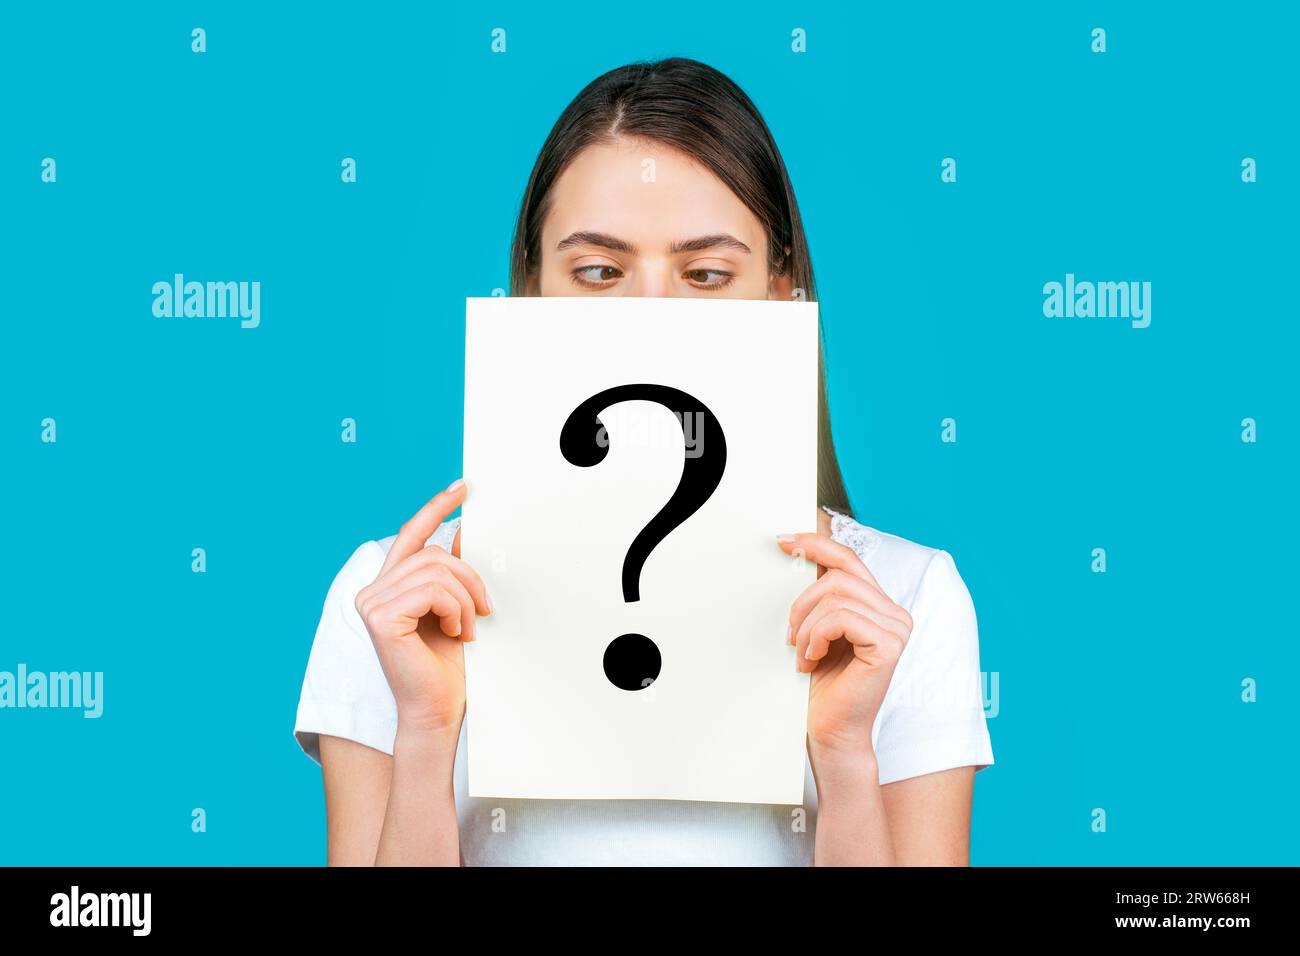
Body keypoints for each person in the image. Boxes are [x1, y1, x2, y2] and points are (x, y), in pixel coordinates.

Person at [294, 57, 993, 865]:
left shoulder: (901, 604)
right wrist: (425, 734)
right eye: (597, 271)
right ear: (528, 289)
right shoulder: (389, 604)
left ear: (780, 295)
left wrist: (843, 761)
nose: (652, 314)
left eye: (705, 274)